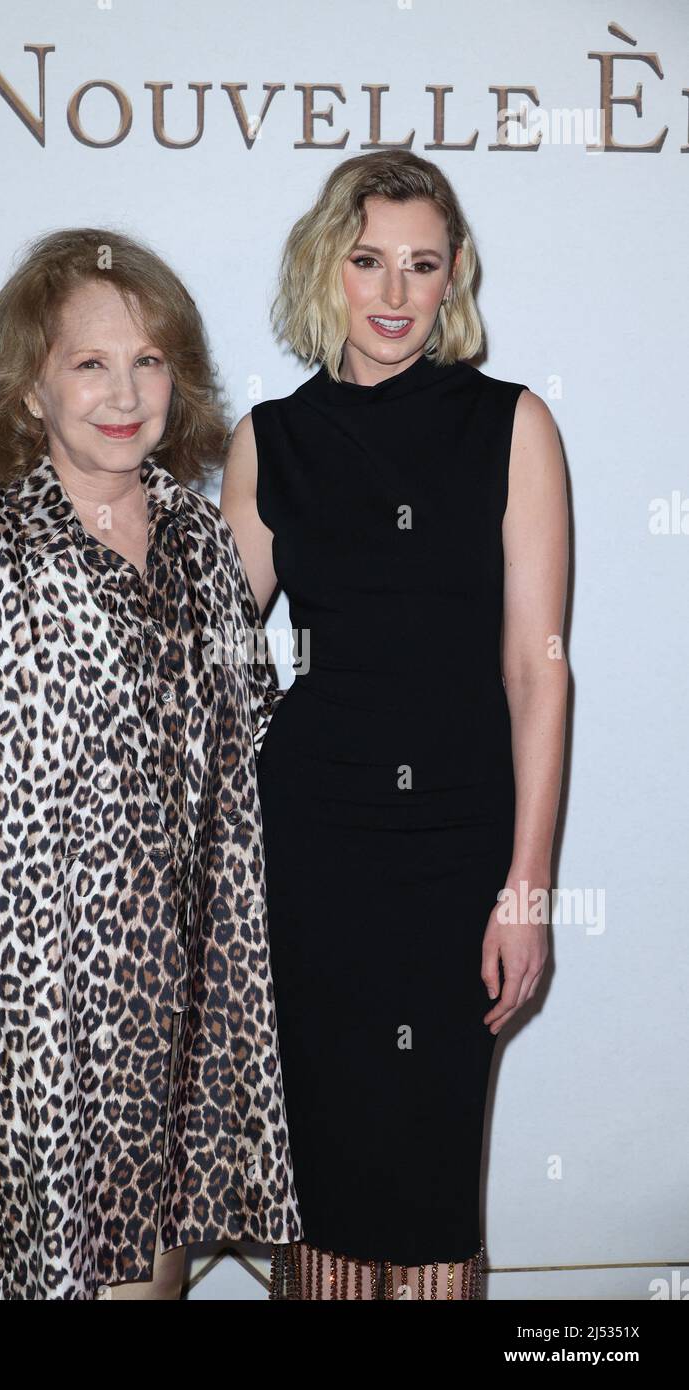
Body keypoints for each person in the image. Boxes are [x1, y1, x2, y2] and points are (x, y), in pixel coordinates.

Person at [0, 227, 301, 1300]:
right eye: (89, 362)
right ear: (29, 389)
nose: (124, 392)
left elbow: (250, 739)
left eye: (149, 360)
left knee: (155, 1281)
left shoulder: (205, 547)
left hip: (188, 998)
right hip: (42, 1009)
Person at [221, 152, 568, 1300]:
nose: (391, 290)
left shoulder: (510, 426)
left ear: (453, 275)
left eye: (421, 264)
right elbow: (214, 662)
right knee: (319, 1168)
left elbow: (537, 669)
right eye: (367, 258)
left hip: (460, 846)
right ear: (328, 264)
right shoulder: (272, 438)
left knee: (426, 1174)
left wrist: (524, 887)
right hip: (311, 845)